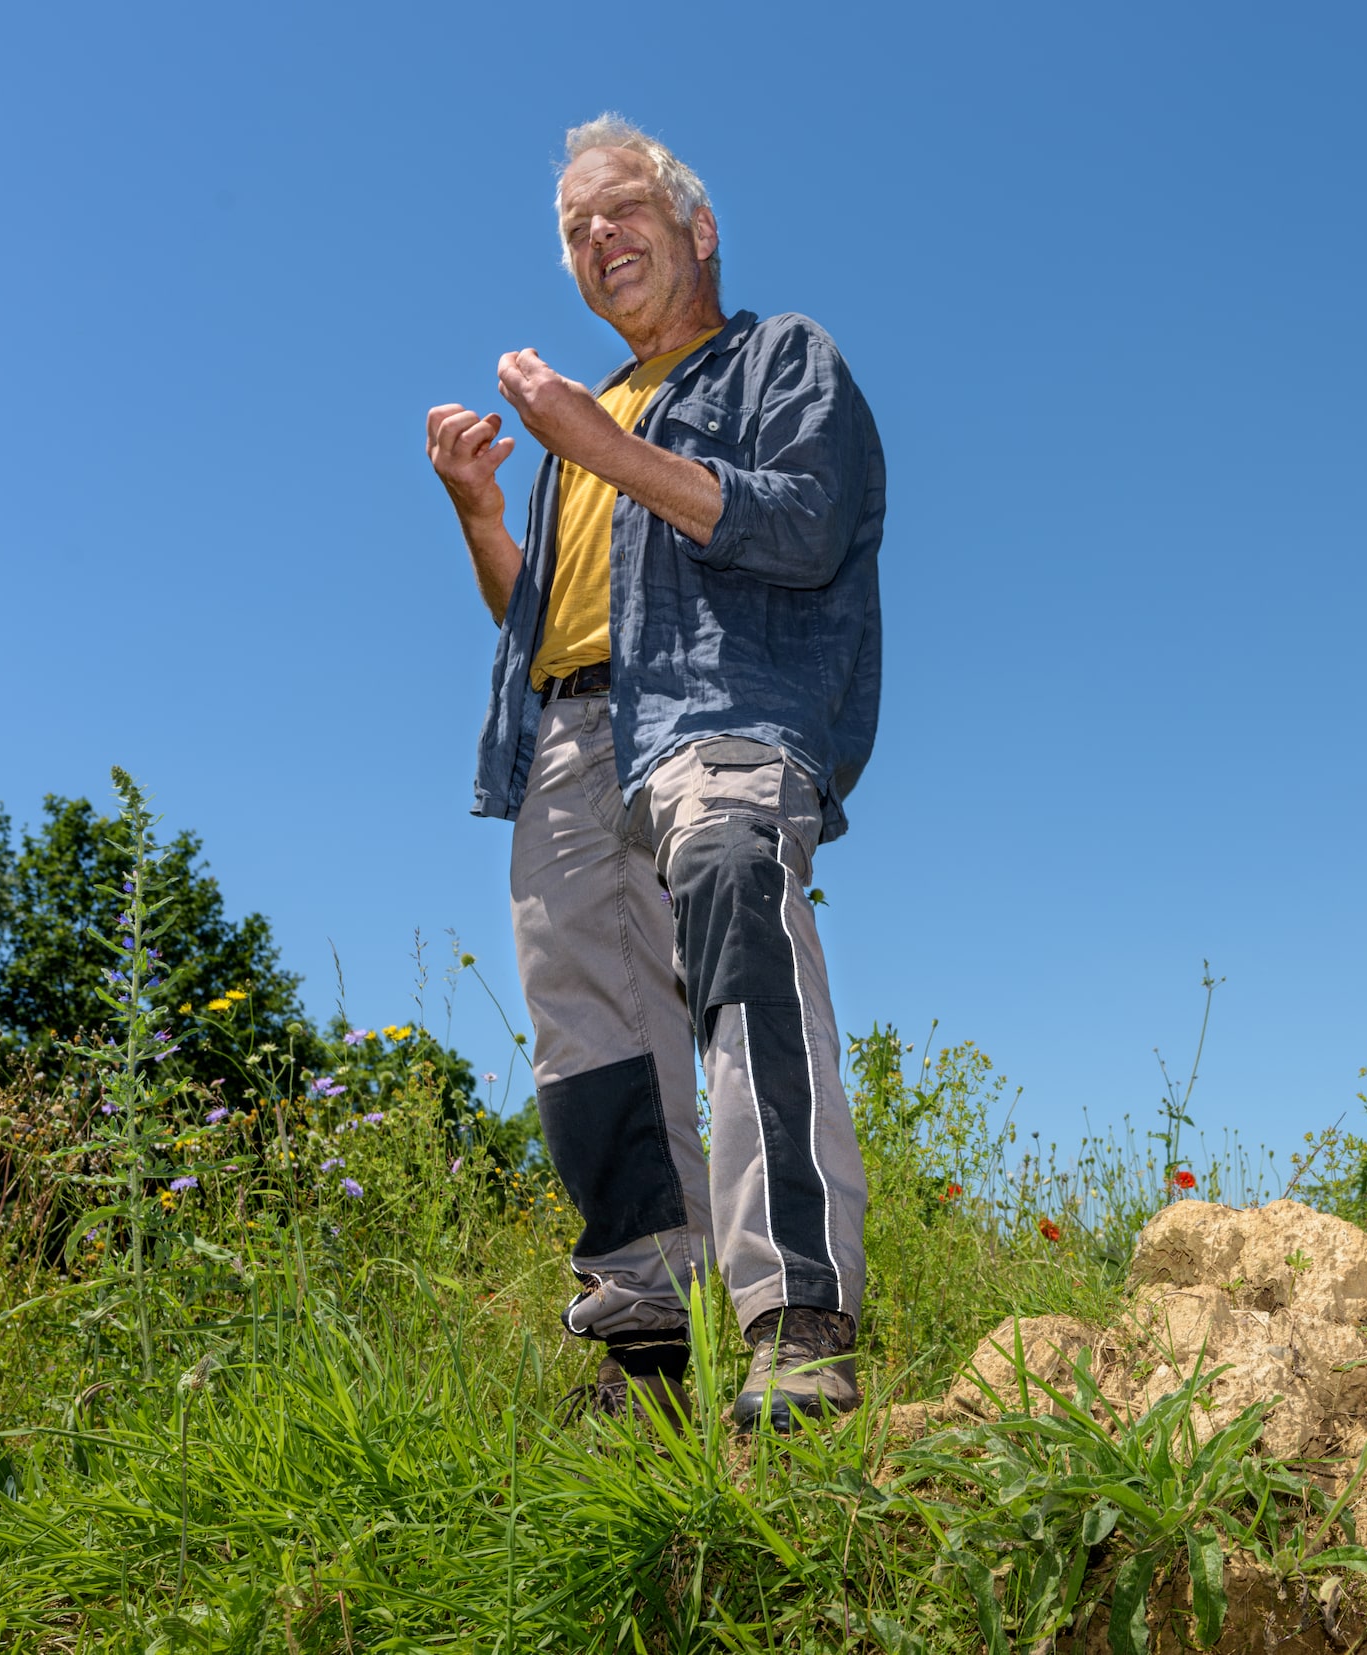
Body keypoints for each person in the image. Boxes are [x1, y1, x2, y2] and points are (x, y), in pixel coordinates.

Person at [423, 114, 884, 1430]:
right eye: (576, 229)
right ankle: (649, 1355)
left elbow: (805, 526)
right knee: (591, 1032)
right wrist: (482, 514)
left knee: (739, 909)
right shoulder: (582, 429)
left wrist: (595, 443)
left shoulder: (778, 358)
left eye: (620, 208)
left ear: (698, 227)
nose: (599, 237)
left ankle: (797, 1324)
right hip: (564, 737)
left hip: (720, 703)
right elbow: (538, 620)